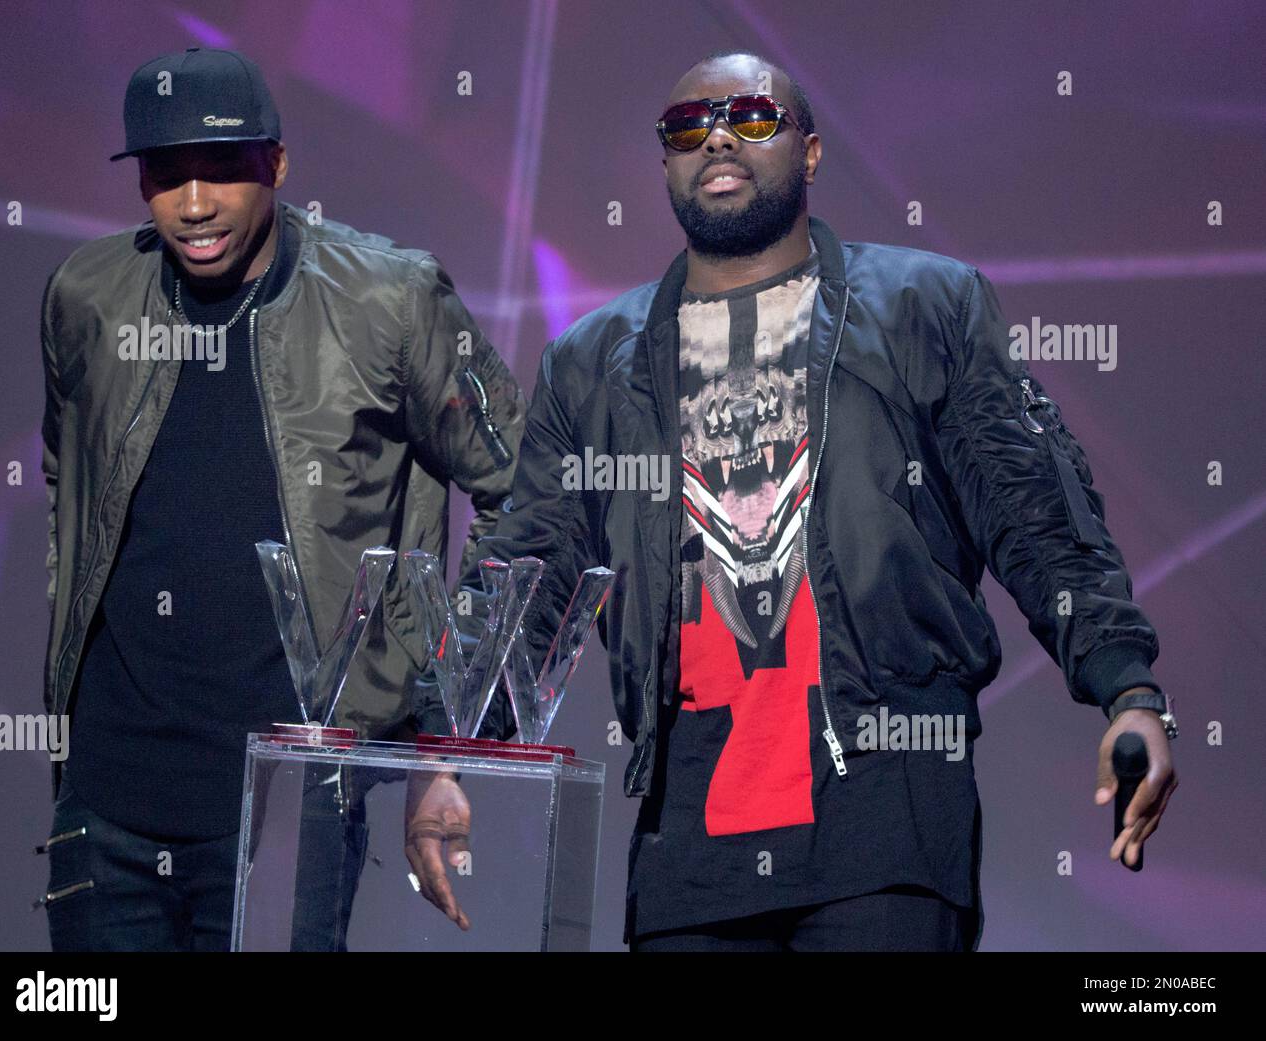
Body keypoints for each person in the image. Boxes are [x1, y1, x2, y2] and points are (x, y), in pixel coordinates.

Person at [405, 50, 1178, 952]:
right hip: (688, 840)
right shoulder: (593, 363)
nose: (719, 136)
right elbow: (528, 574)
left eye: (752, 117)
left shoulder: (923, 307)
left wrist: (1128, 688)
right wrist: (447, 747)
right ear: (664, 163)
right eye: (689, 127)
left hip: (884, 817)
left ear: (810, 152)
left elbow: (1035, 512)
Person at [37, 47, 524, 950]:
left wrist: (442, 736)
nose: (193, 204)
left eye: (222, 169)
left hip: (290, 798)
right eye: (164, 173)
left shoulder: (390, 300)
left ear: (279, 163)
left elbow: (523, 495)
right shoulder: (87, 297)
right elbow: (70, 492)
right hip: (105, 799)